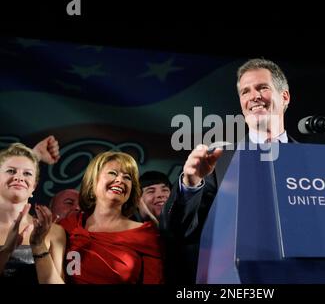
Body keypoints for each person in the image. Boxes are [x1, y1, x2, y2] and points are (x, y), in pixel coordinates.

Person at [160, 58, 295, 283]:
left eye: (262, 87)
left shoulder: (314, 159)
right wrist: (191, 183)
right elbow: (178, 231)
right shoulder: (218, 163)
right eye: (245, 92)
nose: (254, 96)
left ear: (284, 96)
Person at [58, 151, 164, 284]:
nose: (120, 180)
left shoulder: (146, 234)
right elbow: (30, 265)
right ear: (93, 181)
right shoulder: (68, 225)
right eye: (113, 173)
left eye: (127, 177)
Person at [0, 143, 66, 283]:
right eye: (11, 171)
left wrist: (38, 244)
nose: (19, 177)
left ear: (34, 187)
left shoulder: (55, 232)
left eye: (27, 173)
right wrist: (6, 251)